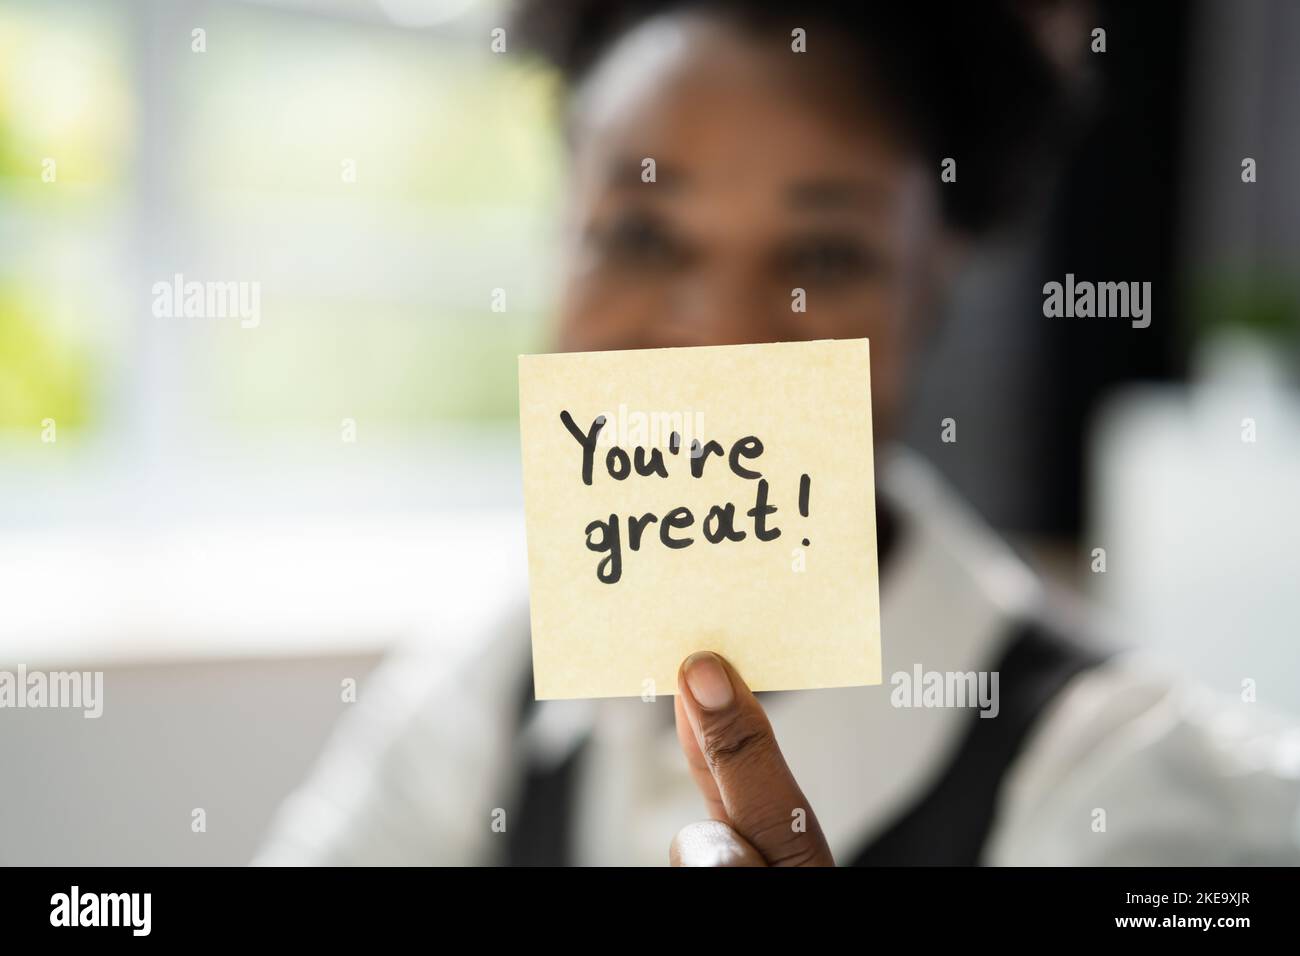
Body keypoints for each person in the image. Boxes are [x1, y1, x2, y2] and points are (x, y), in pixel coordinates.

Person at [256, 0, 1300, 866]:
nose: (716, 332)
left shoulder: (1122, 773)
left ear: (932, 281)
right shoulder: (490, 691)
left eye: (824, 255)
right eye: (639, 234)